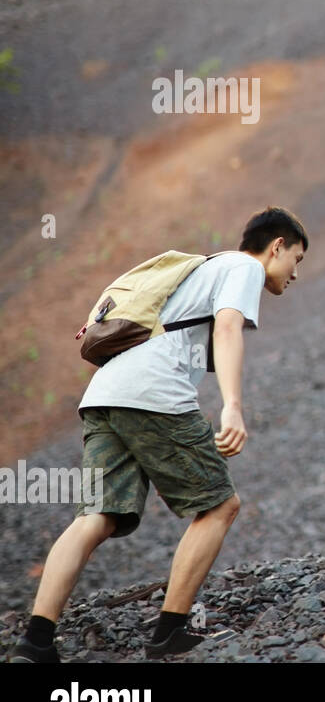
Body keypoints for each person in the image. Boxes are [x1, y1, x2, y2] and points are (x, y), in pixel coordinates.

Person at [6, 206, 308, 662]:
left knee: (95, 517)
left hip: (105, 393)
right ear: (276, 246)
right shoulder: (244, 265)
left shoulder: (196, 271)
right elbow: (227, 328)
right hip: (153, 392)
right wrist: (232, 407)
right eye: (297, 260)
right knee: (219, 505)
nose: (296, 274)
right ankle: (169, 635)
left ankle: (35, 643)